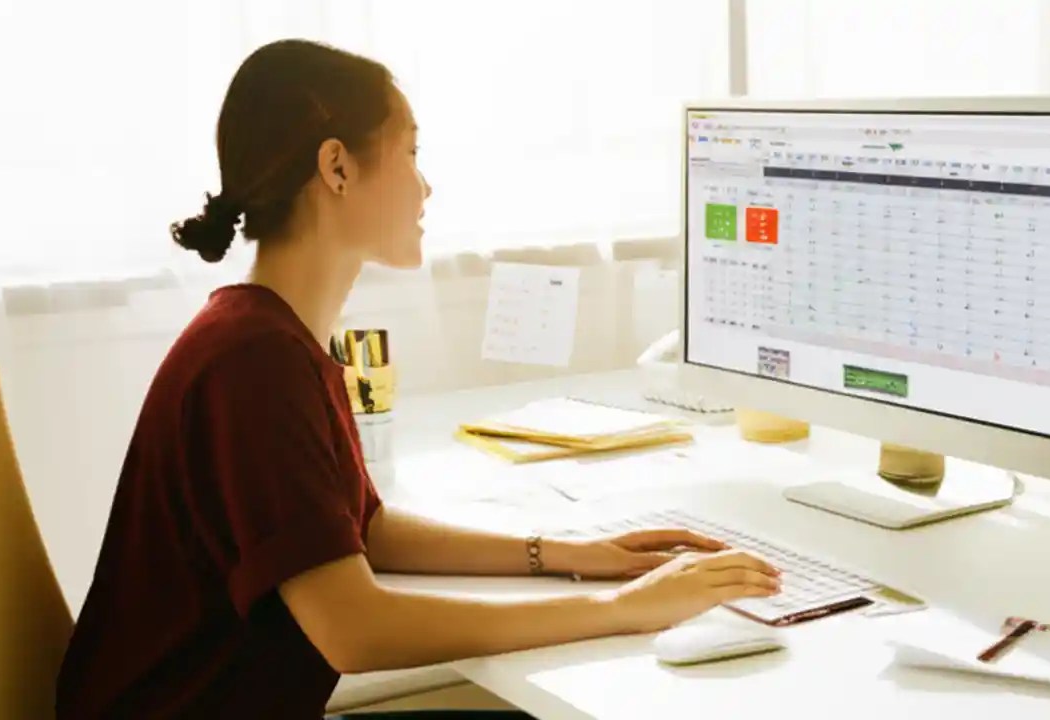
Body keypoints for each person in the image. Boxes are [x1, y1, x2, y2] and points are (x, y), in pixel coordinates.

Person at [55, 39, 781, 719]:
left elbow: (363, 529)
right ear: (337, 168)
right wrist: (622, 610)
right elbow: (354, 629)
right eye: (409, 151)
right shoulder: (254, 363)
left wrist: (566, 556)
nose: (426, 184)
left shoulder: (272, 335)